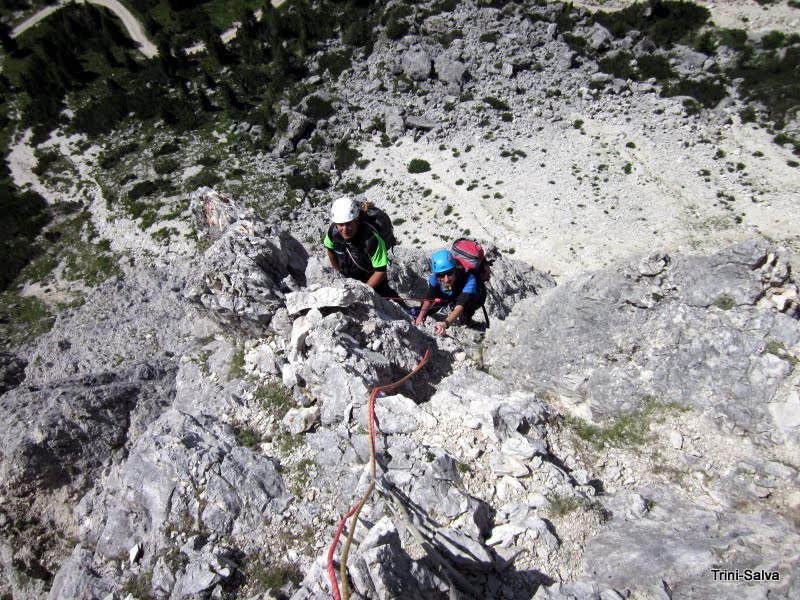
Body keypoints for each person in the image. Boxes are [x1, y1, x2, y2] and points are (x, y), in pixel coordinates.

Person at [323, 196, 399, 299]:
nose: (344, 229)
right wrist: (339, 273)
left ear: (356, 220)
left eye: (348, 223)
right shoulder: (333, 232)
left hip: (373, 284)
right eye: (340, 224)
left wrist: (363, 291)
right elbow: (330, 251)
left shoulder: (372, 240)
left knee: (389, 301)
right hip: (348, 279)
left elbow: (380, 271)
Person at [414, 249, 486, 336]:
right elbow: (430, 298)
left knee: (468, 303)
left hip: (474, 296)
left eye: (449, 273)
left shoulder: (469, 278)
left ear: (454, 269)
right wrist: (420, 317)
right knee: (437, 300)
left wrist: (445, 324)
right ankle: (452, 302)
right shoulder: (435, 278)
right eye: (441, 275)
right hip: (453, 291)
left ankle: (467, 317)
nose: (446, 278)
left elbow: (460, 306)